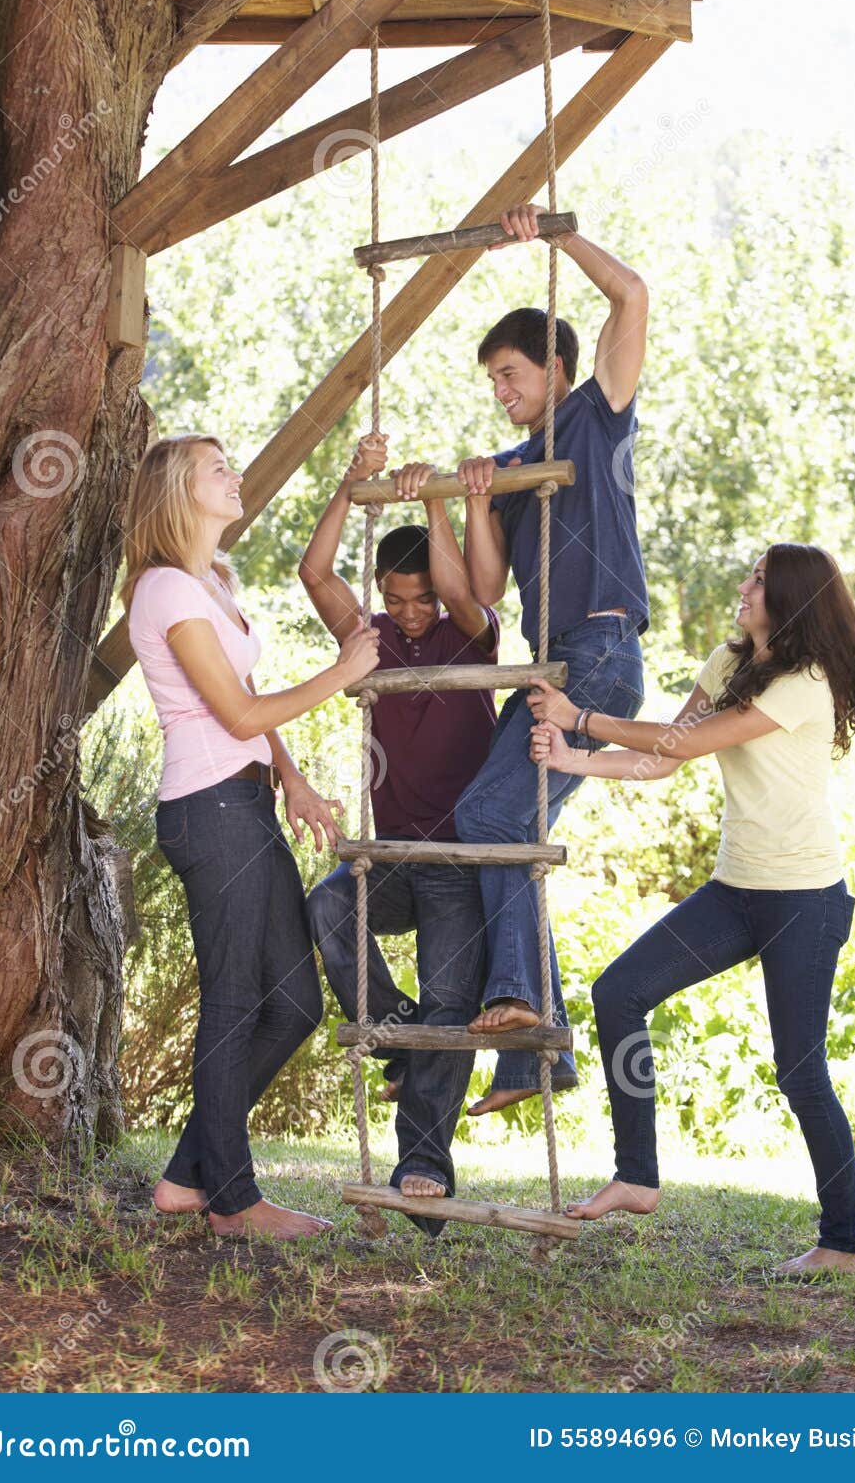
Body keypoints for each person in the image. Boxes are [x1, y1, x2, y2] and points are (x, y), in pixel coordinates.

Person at [530, 543, 855, 1276]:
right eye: (747, 573)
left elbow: (689, 740)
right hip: (735, 890)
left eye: (758, 579)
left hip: (803, 900)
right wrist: (571, 759)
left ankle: (839, 1244)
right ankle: (637, 1176)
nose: (744, 586)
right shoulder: (726, 664)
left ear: (789, 599)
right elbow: (662, 758)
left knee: (799, 1070)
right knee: (617, 992)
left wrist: (580, 718)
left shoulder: (804, 682)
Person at [124, 433, 379, 1241]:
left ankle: (183, 1178)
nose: (234, 477)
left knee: (295, 1003)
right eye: (218, 469)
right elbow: (232, 716)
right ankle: (233, 1201)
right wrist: (341, 672)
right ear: (179, 492)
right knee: (235, 1001)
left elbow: (248, 699)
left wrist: (293, 778)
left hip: (248, 805)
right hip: (207, 811)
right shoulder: (163, 590)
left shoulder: (213, 583)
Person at [453, 202, 649, 1114]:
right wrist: (476, 502)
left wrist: (555, 235)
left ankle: (525, 1020)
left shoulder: (595, 417)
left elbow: (632, 293)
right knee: (490, 819)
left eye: (510, 373)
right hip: (549, 665)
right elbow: (488, 591)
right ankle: (538, 1048)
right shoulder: (511, 460)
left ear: (555, 369)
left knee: (493, 815)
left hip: (600, 654)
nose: (500, 389)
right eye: (491, 378)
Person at [299, 436, 505, 1222]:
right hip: (392, 859)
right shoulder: (372, 640)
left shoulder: (469, 634)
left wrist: (434, 502)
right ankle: (392, 1033)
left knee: (450, 1008)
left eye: (420, 597)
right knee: (325, 906)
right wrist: (350, 487)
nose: (412, 612)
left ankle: (422, 1166)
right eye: (397, 598)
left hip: (455, 859)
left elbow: (462, 597)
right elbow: (314, 574)